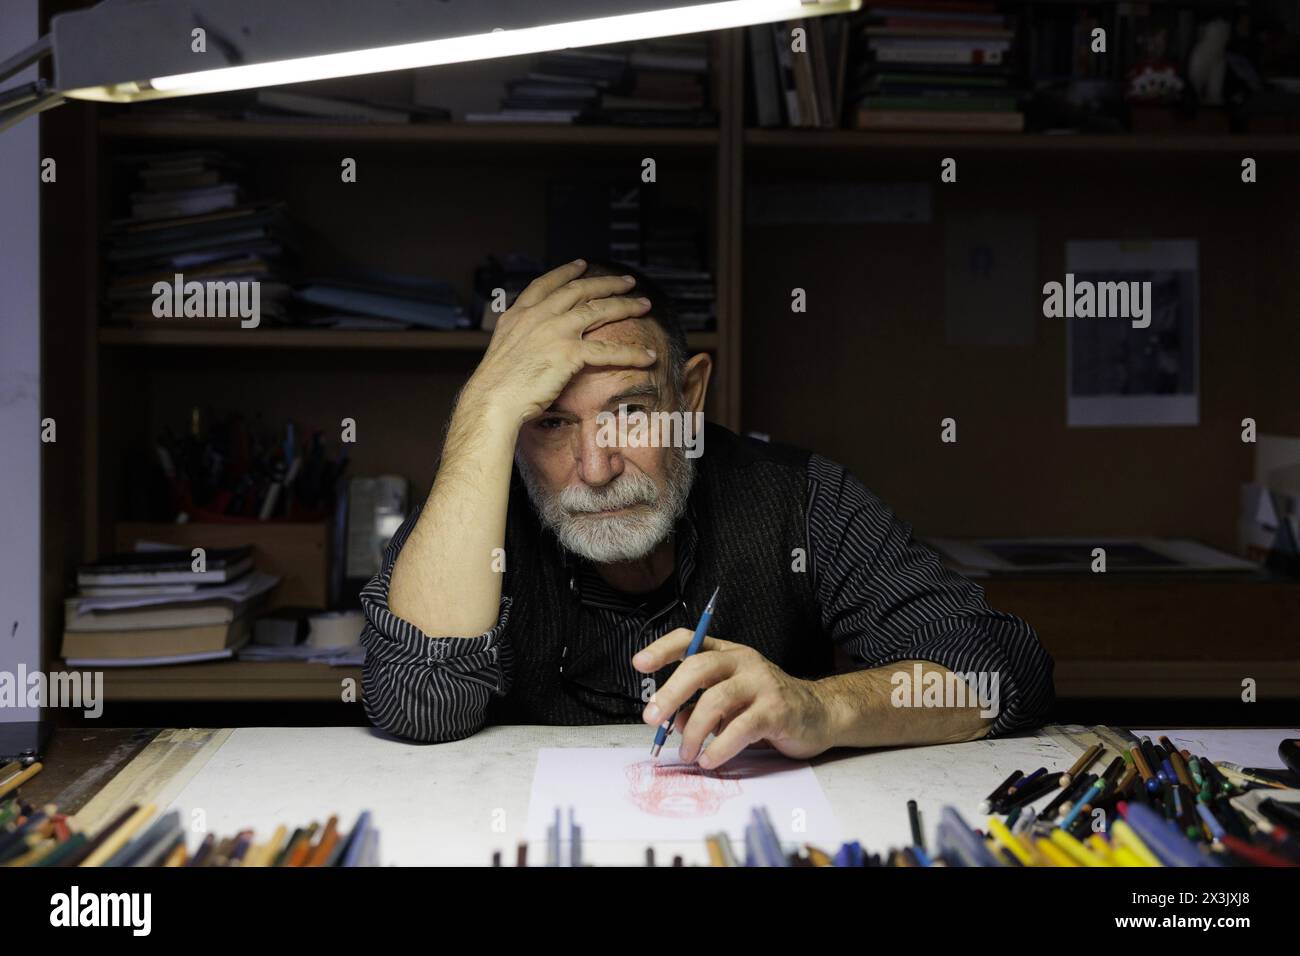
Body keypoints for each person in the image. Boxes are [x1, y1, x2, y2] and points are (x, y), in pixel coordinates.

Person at [360, 259, 1054, 768]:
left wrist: (821, 706)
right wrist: (483, 411)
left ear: (689, 397)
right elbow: (417, 702)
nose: (596, 469)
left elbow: (1001, 669)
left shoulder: (798, 497)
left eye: (630, 413)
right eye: (547, 423)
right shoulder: (476, 513)